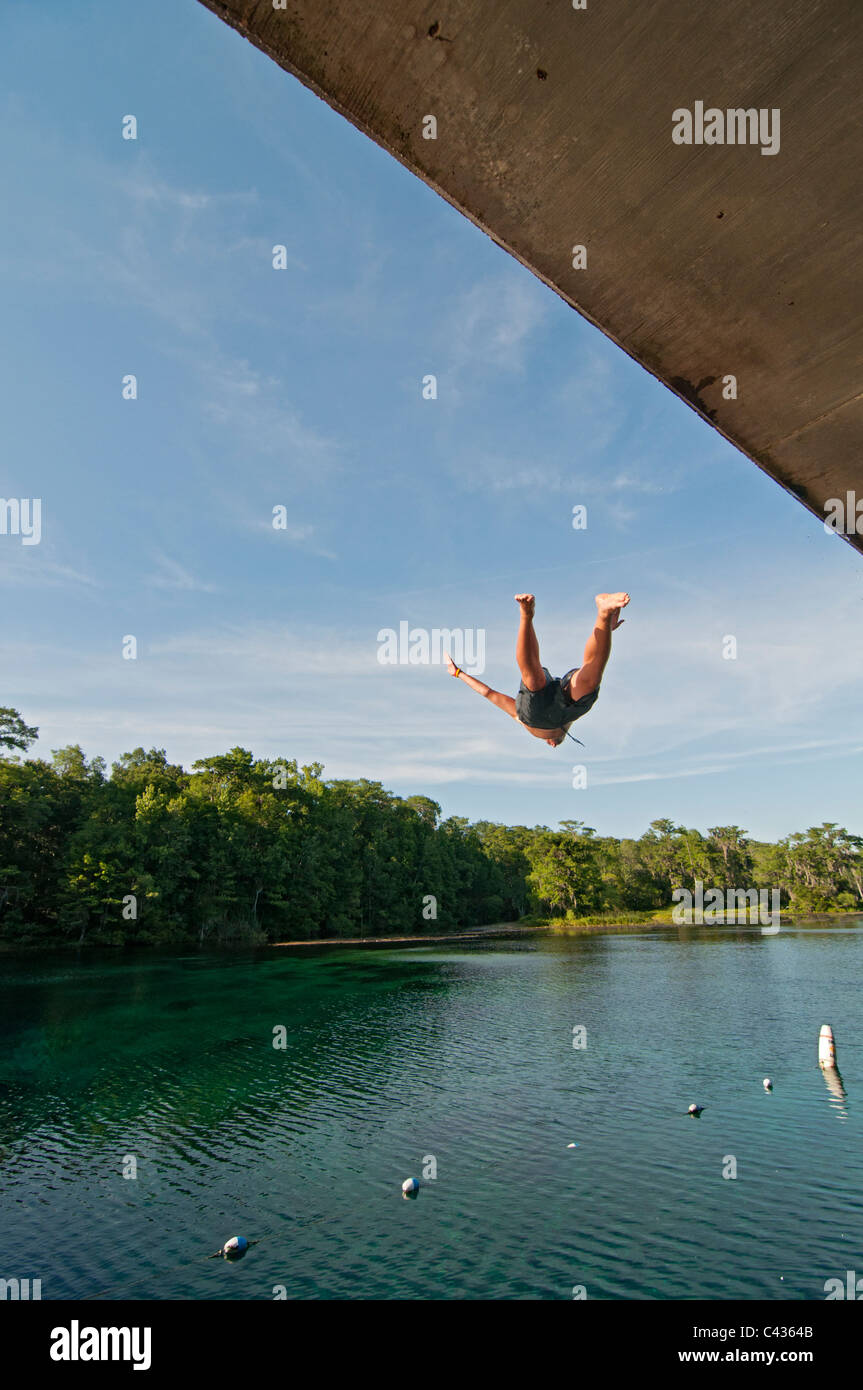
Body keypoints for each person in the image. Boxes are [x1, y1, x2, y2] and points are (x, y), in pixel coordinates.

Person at [445, 592, 629, 748]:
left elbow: (489, 693)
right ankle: (603, 617)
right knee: (584, 679)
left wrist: (458, 673)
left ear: (551, 742)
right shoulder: (569, 714)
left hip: (538, 714)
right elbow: (488, 693)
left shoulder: (522, 718)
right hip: (564, 704)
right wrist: (606, 633)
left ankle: (526, 616)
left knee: (535, 681)